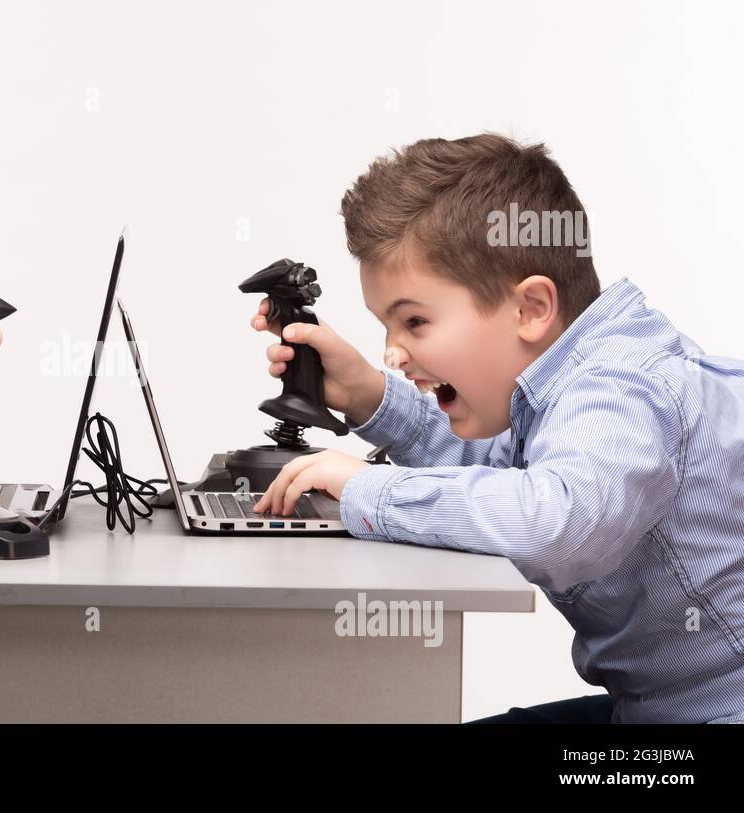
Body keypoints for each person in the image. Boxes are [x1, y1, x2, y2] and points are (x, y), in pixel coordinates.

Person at [251, 133, 744, 724]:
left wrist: (366, 489)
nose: (393, 353)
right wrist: (365, 395)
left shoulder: (621, 387)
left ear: (531, 309)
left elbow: (556, 521)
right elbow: (493, 474)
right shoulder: (560, 385)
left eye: (414, 321)